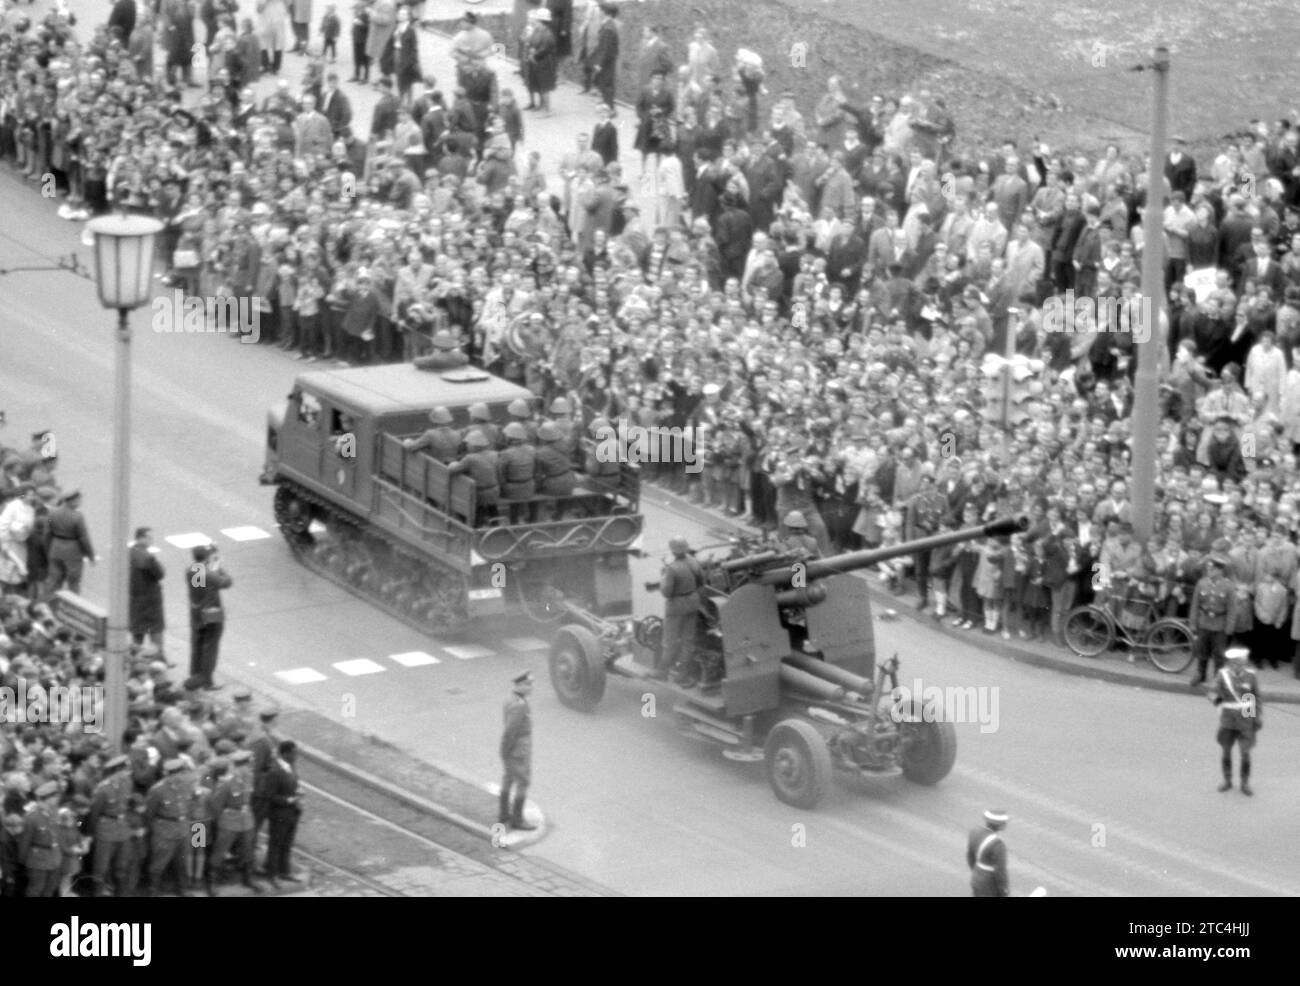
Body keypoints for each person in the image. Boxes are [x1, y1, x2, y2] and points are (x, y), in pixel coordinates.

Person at [1211, 646, 1261, 795]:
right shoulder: (1223, 675)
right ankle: (1227, 780)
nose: (1237, 665)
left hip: (1246, 718)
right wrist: (1218, 701)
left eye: (1240, 663)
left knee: (1245, 752)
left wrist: (1256, 718)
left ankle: (1245, 783)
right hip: (1228, 720)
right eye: (1234, 663)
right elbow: (1212, 691)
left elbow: (1255, 697)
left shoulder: (1251, 676)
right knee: (1226, 751)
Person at [210, 749, 262, 890]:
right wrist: (223, 819)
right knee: (220, 851)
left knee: (247, 850)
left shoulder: (249, 777)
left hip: (246, 819)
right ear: (240, 766)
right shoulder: (227, 782)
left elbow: (248, 797)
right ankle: (212, 881)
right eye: (247, 765)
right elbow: (216, 805)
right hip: (229, 821)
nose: (250, 768)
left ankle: (248, 878)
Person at [657, 536, 703, 680]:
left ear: (673, 551)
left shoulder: (671, 568)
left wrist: (663, 576)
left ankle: (662, 672)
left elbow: (666, 592)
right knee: (688, 640)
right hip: (693, 601)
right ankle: (683, 674)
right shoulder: (694, 562)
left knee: (669, 641)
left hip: (676, 606)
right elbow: (701, 581)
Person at [188, 543, 233, 691]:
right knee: (210, 648)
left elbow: (201, 589)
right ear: (206, 557)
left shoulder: (193, 570)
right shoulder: (207, 572)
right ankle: (207, 680)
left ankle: (195, 675)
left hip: (197, 614)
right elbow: (226, 582)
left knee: (198, 646)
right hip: (211, 614)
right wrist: (219, 567)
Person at [145, 758, 192, 896]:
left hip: (183, 829)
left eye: (182, 773)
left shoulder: (186, 785)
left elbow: (188, 806)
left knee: (182, 861)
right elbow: (149, 814)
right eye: (178, 774)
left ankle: (181, 889)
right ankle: (153, 890)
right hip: (164, 831)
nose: (181, 776)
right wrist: (157, 830)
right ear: (170, 774)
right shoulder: (157, 790)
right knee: (158, 864)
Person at [88, 754, 134, 897]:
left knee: (121, 865)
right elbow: (94, 813)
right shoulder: (103, 789)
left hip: (123, 828)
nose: (128, 772)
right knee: (101, 867)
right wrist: (90, 834)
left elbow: (127, 805)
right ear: (118, 770)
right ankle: (98, 893)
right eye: (125, 770)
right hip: (106, 829)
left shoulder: (127, 783)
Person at [1189, 552, 1235, 686]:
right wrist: (1193, 622)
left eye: (1213, 569)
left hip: (1220, 625)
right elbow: (1195, 604)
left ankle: (1218, 677)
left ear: (1220, 570)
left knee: (1219, 654)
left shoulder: (1228, 586)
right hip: (1204, 622)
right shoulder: (1201, 583)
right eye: (1208, 569)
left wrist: (1229, 627)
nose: (1209, 571)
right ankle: (1200, 673)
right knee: (1202, 651)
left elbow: (1232, 609)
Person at [499, 670, 536, 831]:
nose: (531, 687)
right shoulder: (519, 705)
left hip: (513, 748)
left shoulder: (510, 699)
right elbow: (510, 731)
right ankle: (517, 819)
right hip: (518, 748)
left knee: (508, 779)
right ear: (519, 686)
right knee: (523, 781)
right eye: (528, 685)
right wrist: (505, 750)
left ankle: (504, 814)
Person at [263, 740, 303, 886]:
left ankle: (284, 871)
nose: (296, 756)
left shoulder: (291, 766)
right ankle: (271, 874)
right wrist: (289, 800)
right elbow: (270, 795)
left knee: (287, 844)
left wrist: (298, 791)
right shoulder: (275, 771)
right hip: (279, 814)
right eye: (294, 753)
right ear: (285, 754)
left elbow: (294, 783)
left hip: (292, 813)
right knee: (275, 844)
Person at [44, 489, 95, 595]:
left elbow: (47, 532)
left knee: (53, 581)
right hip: (73, 551)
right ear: (72, 501)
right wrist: (91, 556)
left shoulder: (51, 513)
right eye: (79, 500)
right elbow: (83, 538)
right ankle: (73, 606)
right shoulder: (77, 517)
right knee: (73, 582)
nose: (80, 502)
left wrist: (48, 549)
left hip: (55, 548)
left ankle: (48, 602)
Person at [129, 527, 167, 661]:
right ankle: (158, 658)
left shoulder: (129, 553)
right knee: (156, 630)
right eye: (149, 537)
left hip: (135, 600)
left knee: (137, 632)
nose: (151, 540)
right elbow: (160, 573)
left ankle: (135, 658)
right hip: (151, 600)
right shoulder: (148, 558)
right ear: (141, 538)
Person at [19, 781, 62, 897]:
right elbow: (24, 842)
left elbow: (58, 836)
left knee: (50, 889)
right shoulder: (32, 817)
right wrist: (23, 861)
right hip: (38, 860)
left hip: (54, 857)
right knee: (35, 889)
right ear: (47, 798)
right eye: (55, 797)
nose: (57, 799)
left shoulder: (55, 813)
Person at [965, 808, 1010, 897]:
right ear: (1000, 825)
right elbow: (1000, 872)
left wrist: (977, 872)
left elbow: (970, 856)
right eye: (1004, 822)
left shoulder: (974, 832)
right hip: (989, 884)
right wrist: (1004, 891)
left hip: (976, 877)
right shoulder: (998, 844)